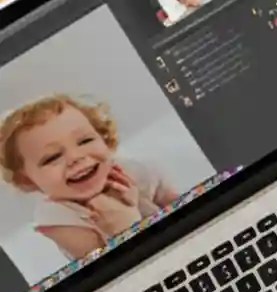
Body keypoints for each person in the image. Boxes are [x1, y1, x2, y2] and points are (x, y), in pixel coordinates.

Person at [0, 94, 179, 261]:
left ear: (104, 139)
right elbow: (110, 271)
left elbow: (184, 213)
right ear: (28, 180)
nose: (75, 157)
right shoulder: (58, 217)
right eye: (52, 157)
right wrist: (126, 227)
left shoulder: (137, 171)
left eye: (85, 141)